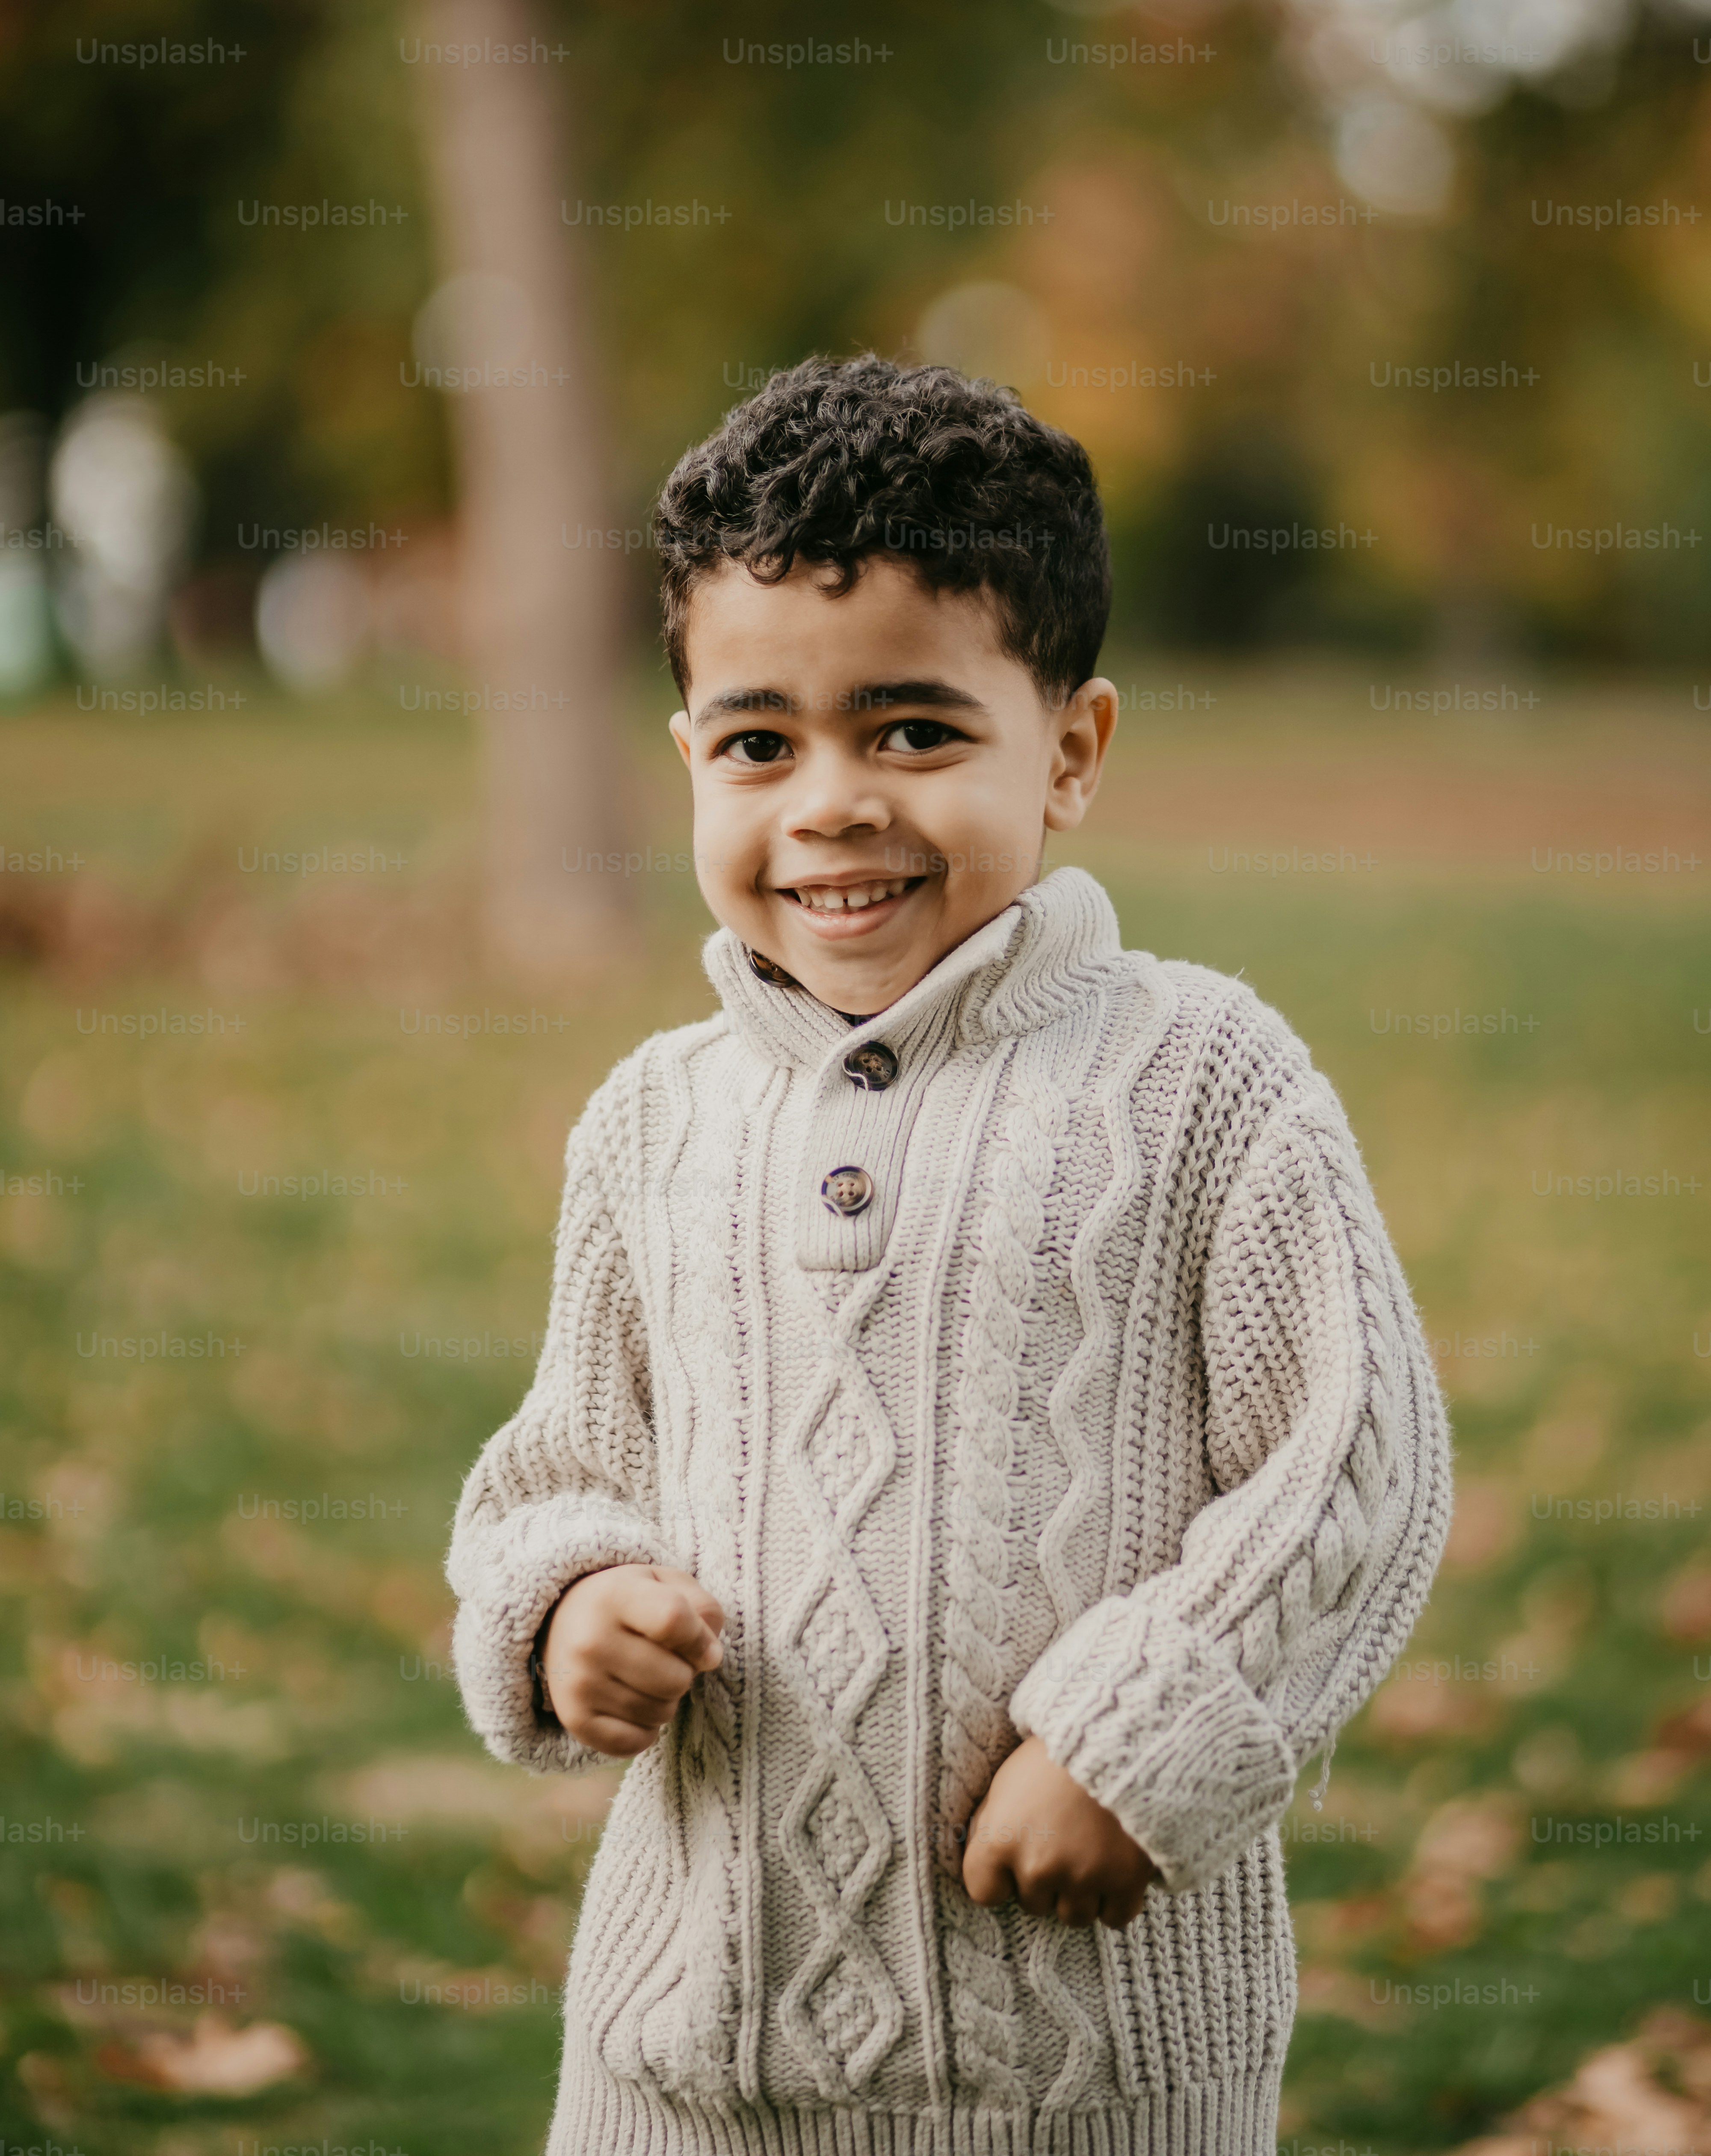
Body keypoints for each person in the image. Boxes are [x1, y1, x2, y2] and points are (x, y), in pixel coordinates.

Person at [445, 354, 1453, 2156]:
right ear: (689, 758)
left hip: (1086, 2065)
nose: (832, 803)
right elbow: (563, 1467)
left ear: (1070, 750)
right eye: (760, 743)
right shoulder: (654, 1118)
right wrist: (567, 1610)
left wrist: (1137, 1742)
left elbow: (1353, 1463)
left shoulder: (1199, 1080)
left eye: (913, 731)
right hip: (686, 2056)